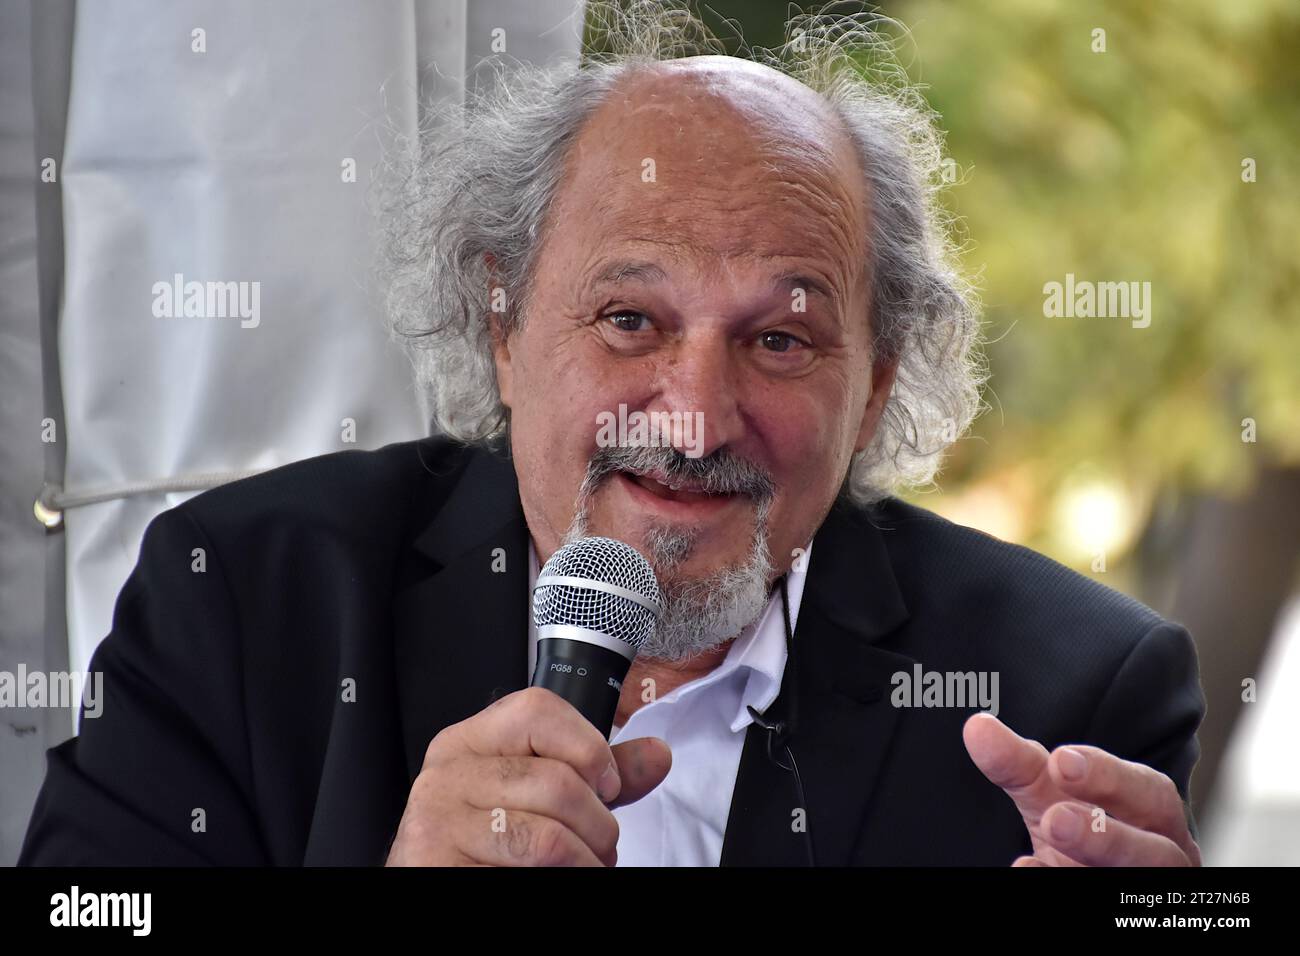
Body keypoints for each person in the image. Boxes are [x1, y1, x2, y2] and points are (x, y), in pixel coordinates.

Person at [20, 2, 1204, 867]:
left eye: (780, 340)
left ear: (877, 386)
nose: (693, 413)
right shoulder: (239, 595)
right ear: (502, 329)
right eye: (629, 319)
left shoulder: (1071, 691)